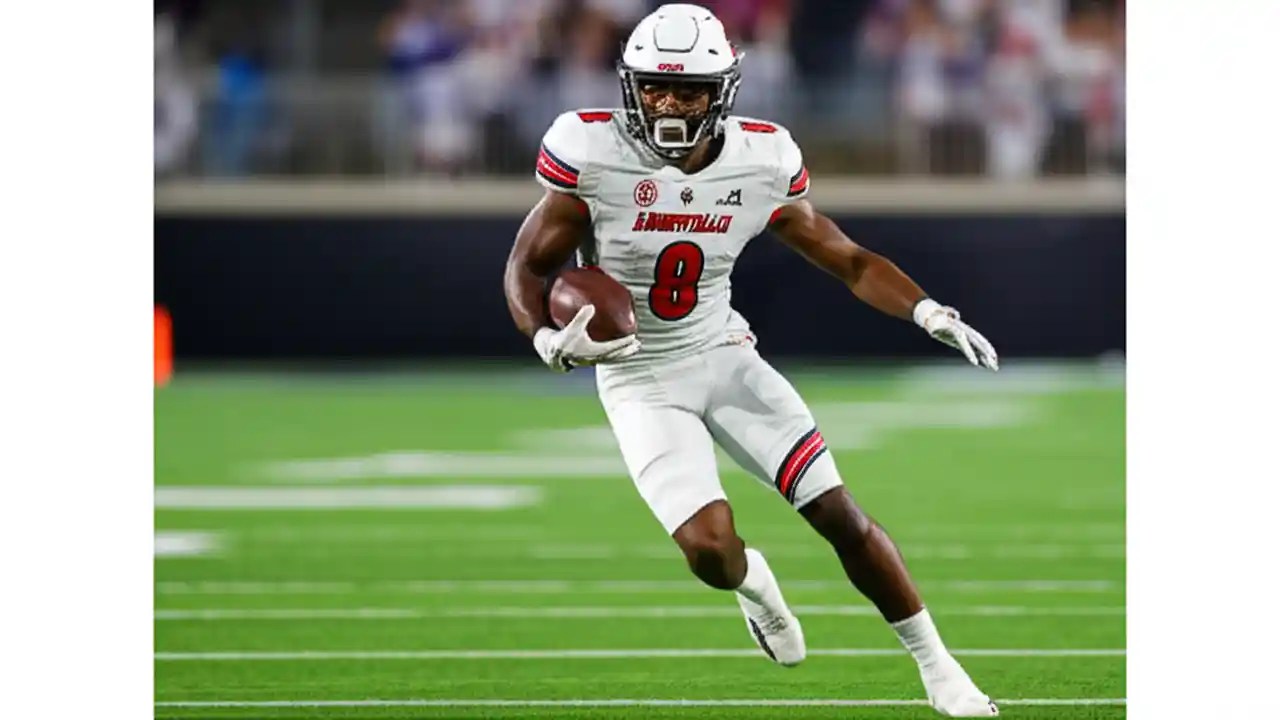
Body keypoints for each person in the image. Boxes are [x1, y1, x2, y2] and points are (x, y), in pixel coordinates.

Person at [502, 4, 1000, 716]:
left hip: (721, 353)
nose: (668, 105)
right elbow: (527, 266)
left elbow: (848, 258)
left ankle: (939, 666)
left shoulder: (760, 162)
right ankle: (755, 586)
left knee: (838, 513)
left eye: (688, 91)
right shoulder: (593, 154)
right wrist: (543, 339)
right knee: (710, 552)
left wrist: (927, 311)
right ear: (630, 86)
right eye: (654, 87)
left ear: (723, 91)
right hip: (639, 375)